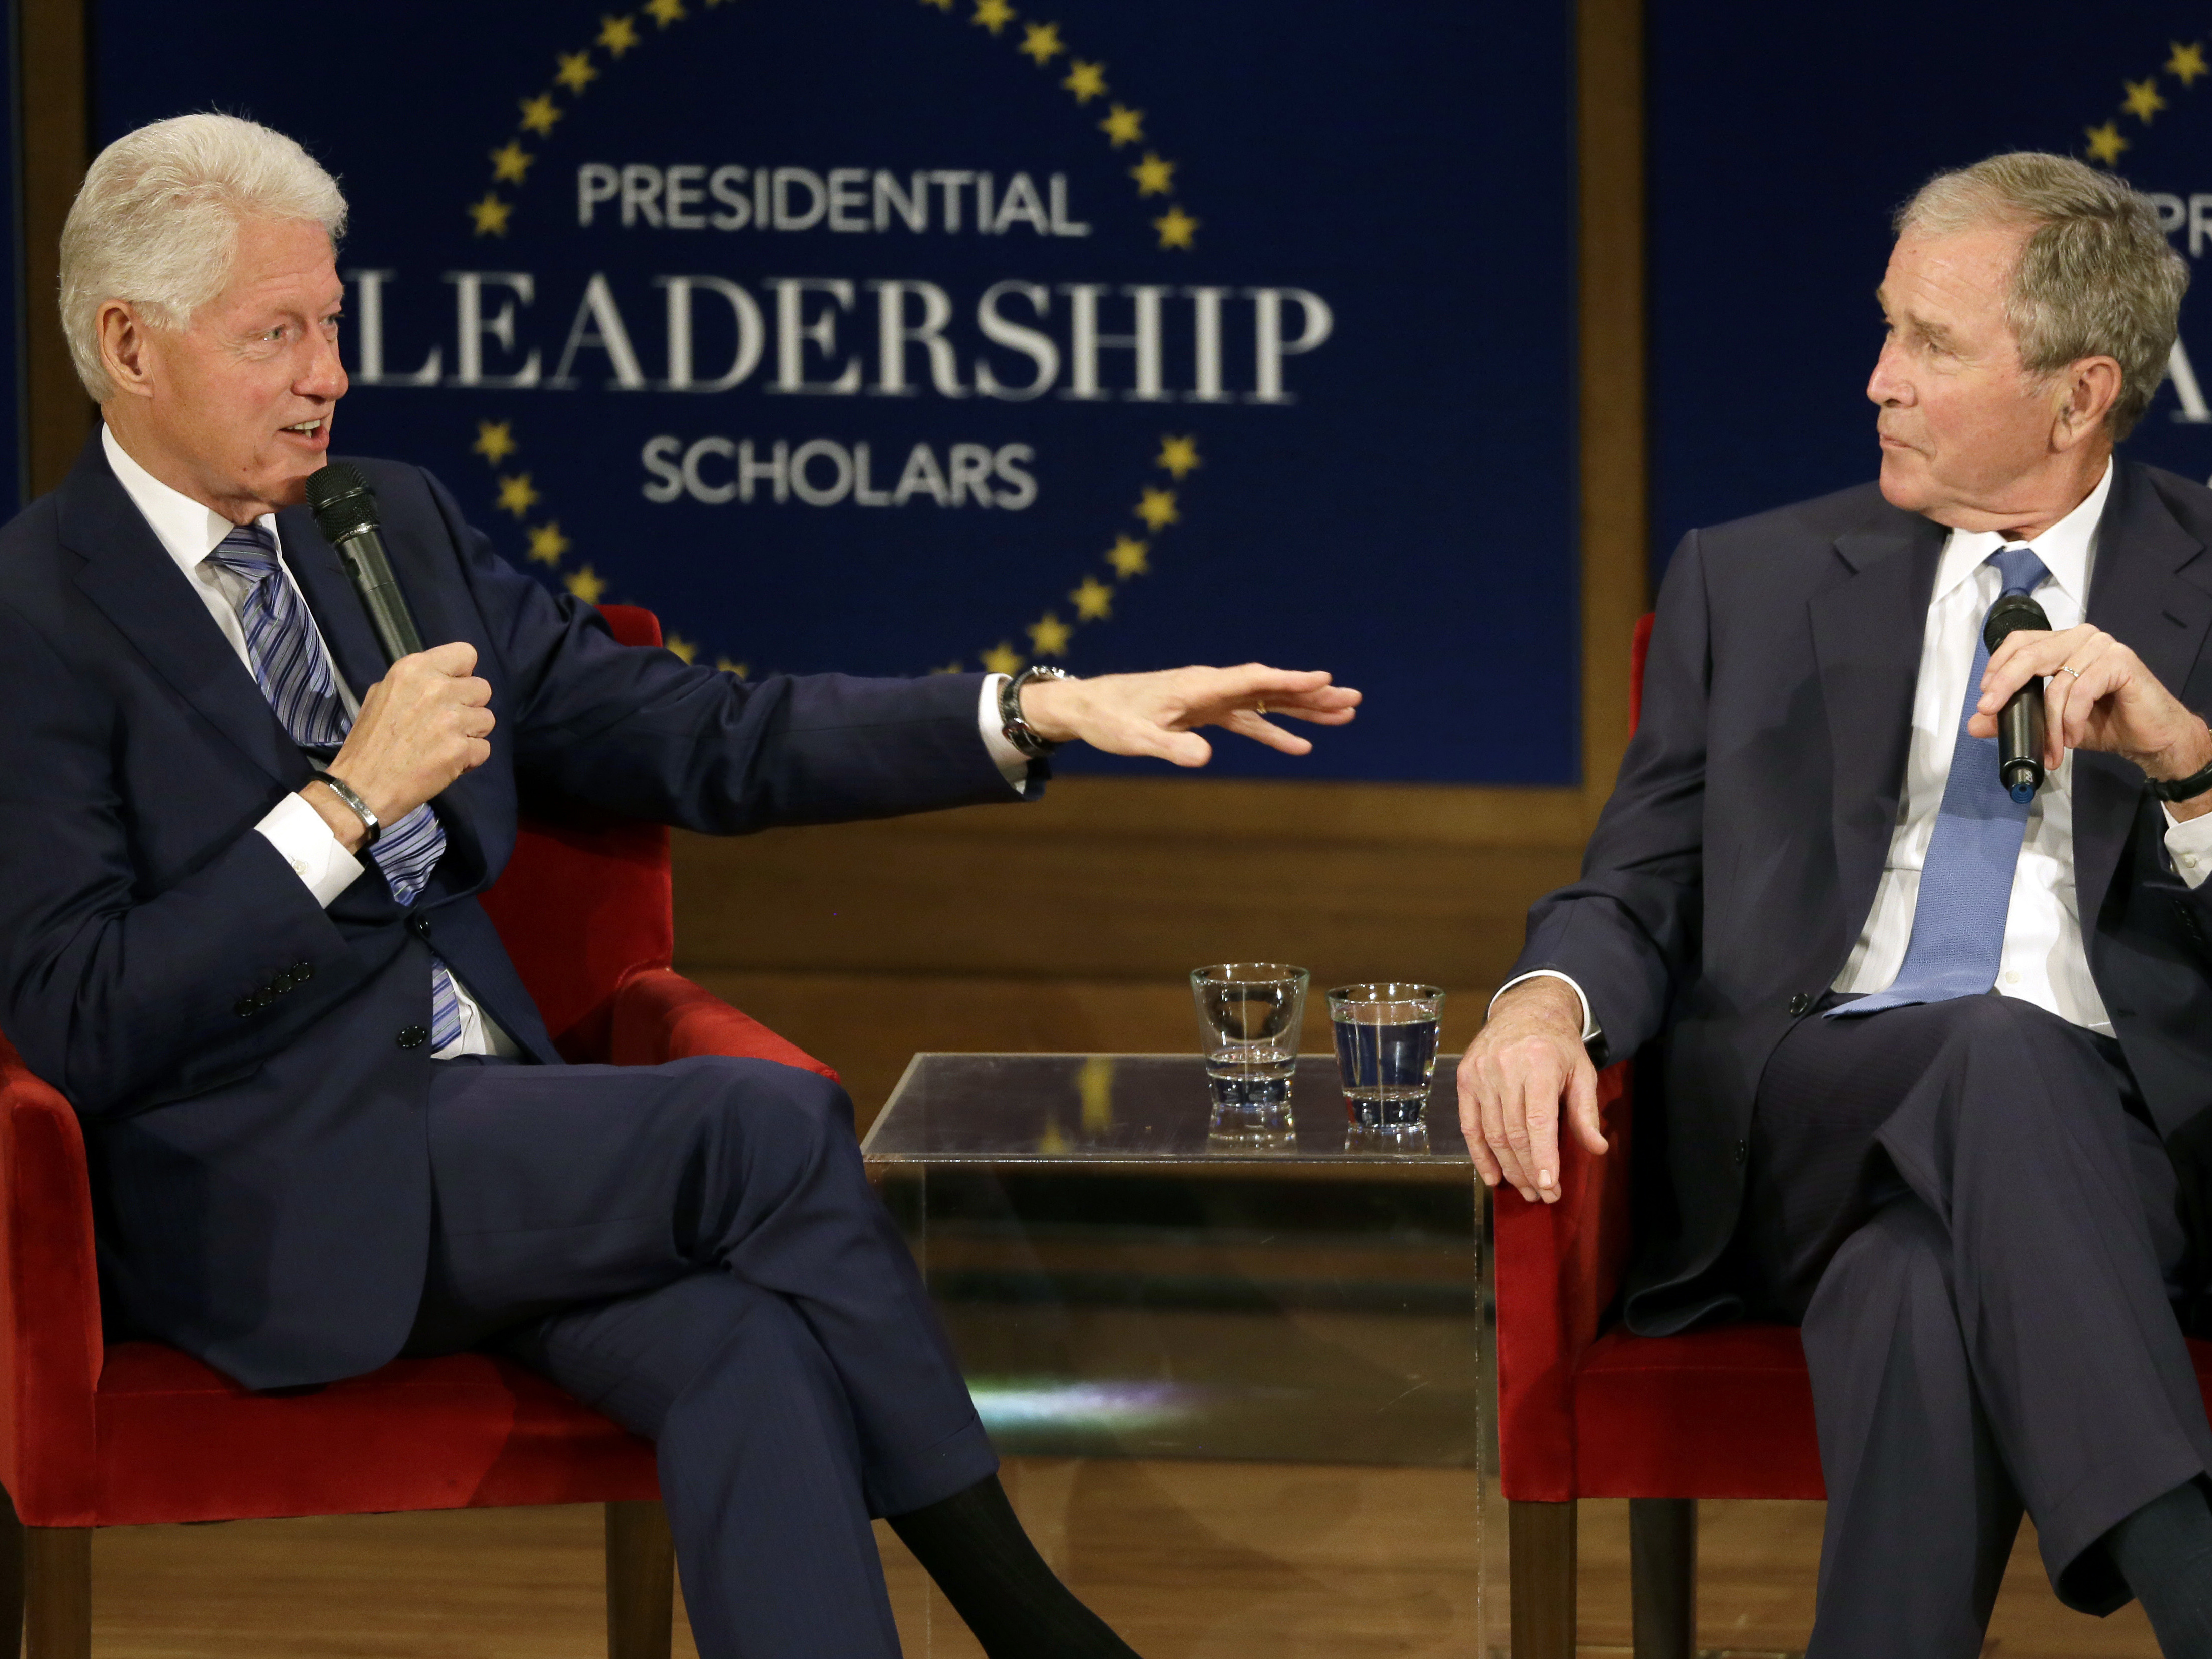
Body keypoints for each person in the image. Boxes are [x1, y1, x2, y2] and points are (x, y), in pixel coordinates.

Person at [0, 113, 1361, 1659]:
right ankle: (1038, 1624)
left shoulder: (387, 523)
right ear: (130, 343)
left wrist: (1037, 707)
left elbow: (709, 734)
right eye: (279, 335)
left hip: (512, 1149)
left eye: (333, 324)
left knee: (747, 1349)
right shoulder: (35, 617)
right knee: (761, 1119)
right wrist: (343, 803)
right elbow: (80, 1014)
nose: (330, 373)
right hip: (268, 1191)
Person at [1459, 152, 2212, 1656]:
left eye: (1931, 346)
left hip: (2122, 1163)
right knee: (1988, 1047)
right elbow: (1639, 882)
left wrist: (2194, 774)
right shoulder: (1756, 580)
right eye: (1887, 331)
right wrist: (1543, 998)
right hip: (1801, 1123)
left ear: (2079, 395)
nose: (1879, 380)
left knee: (1915, 1285)